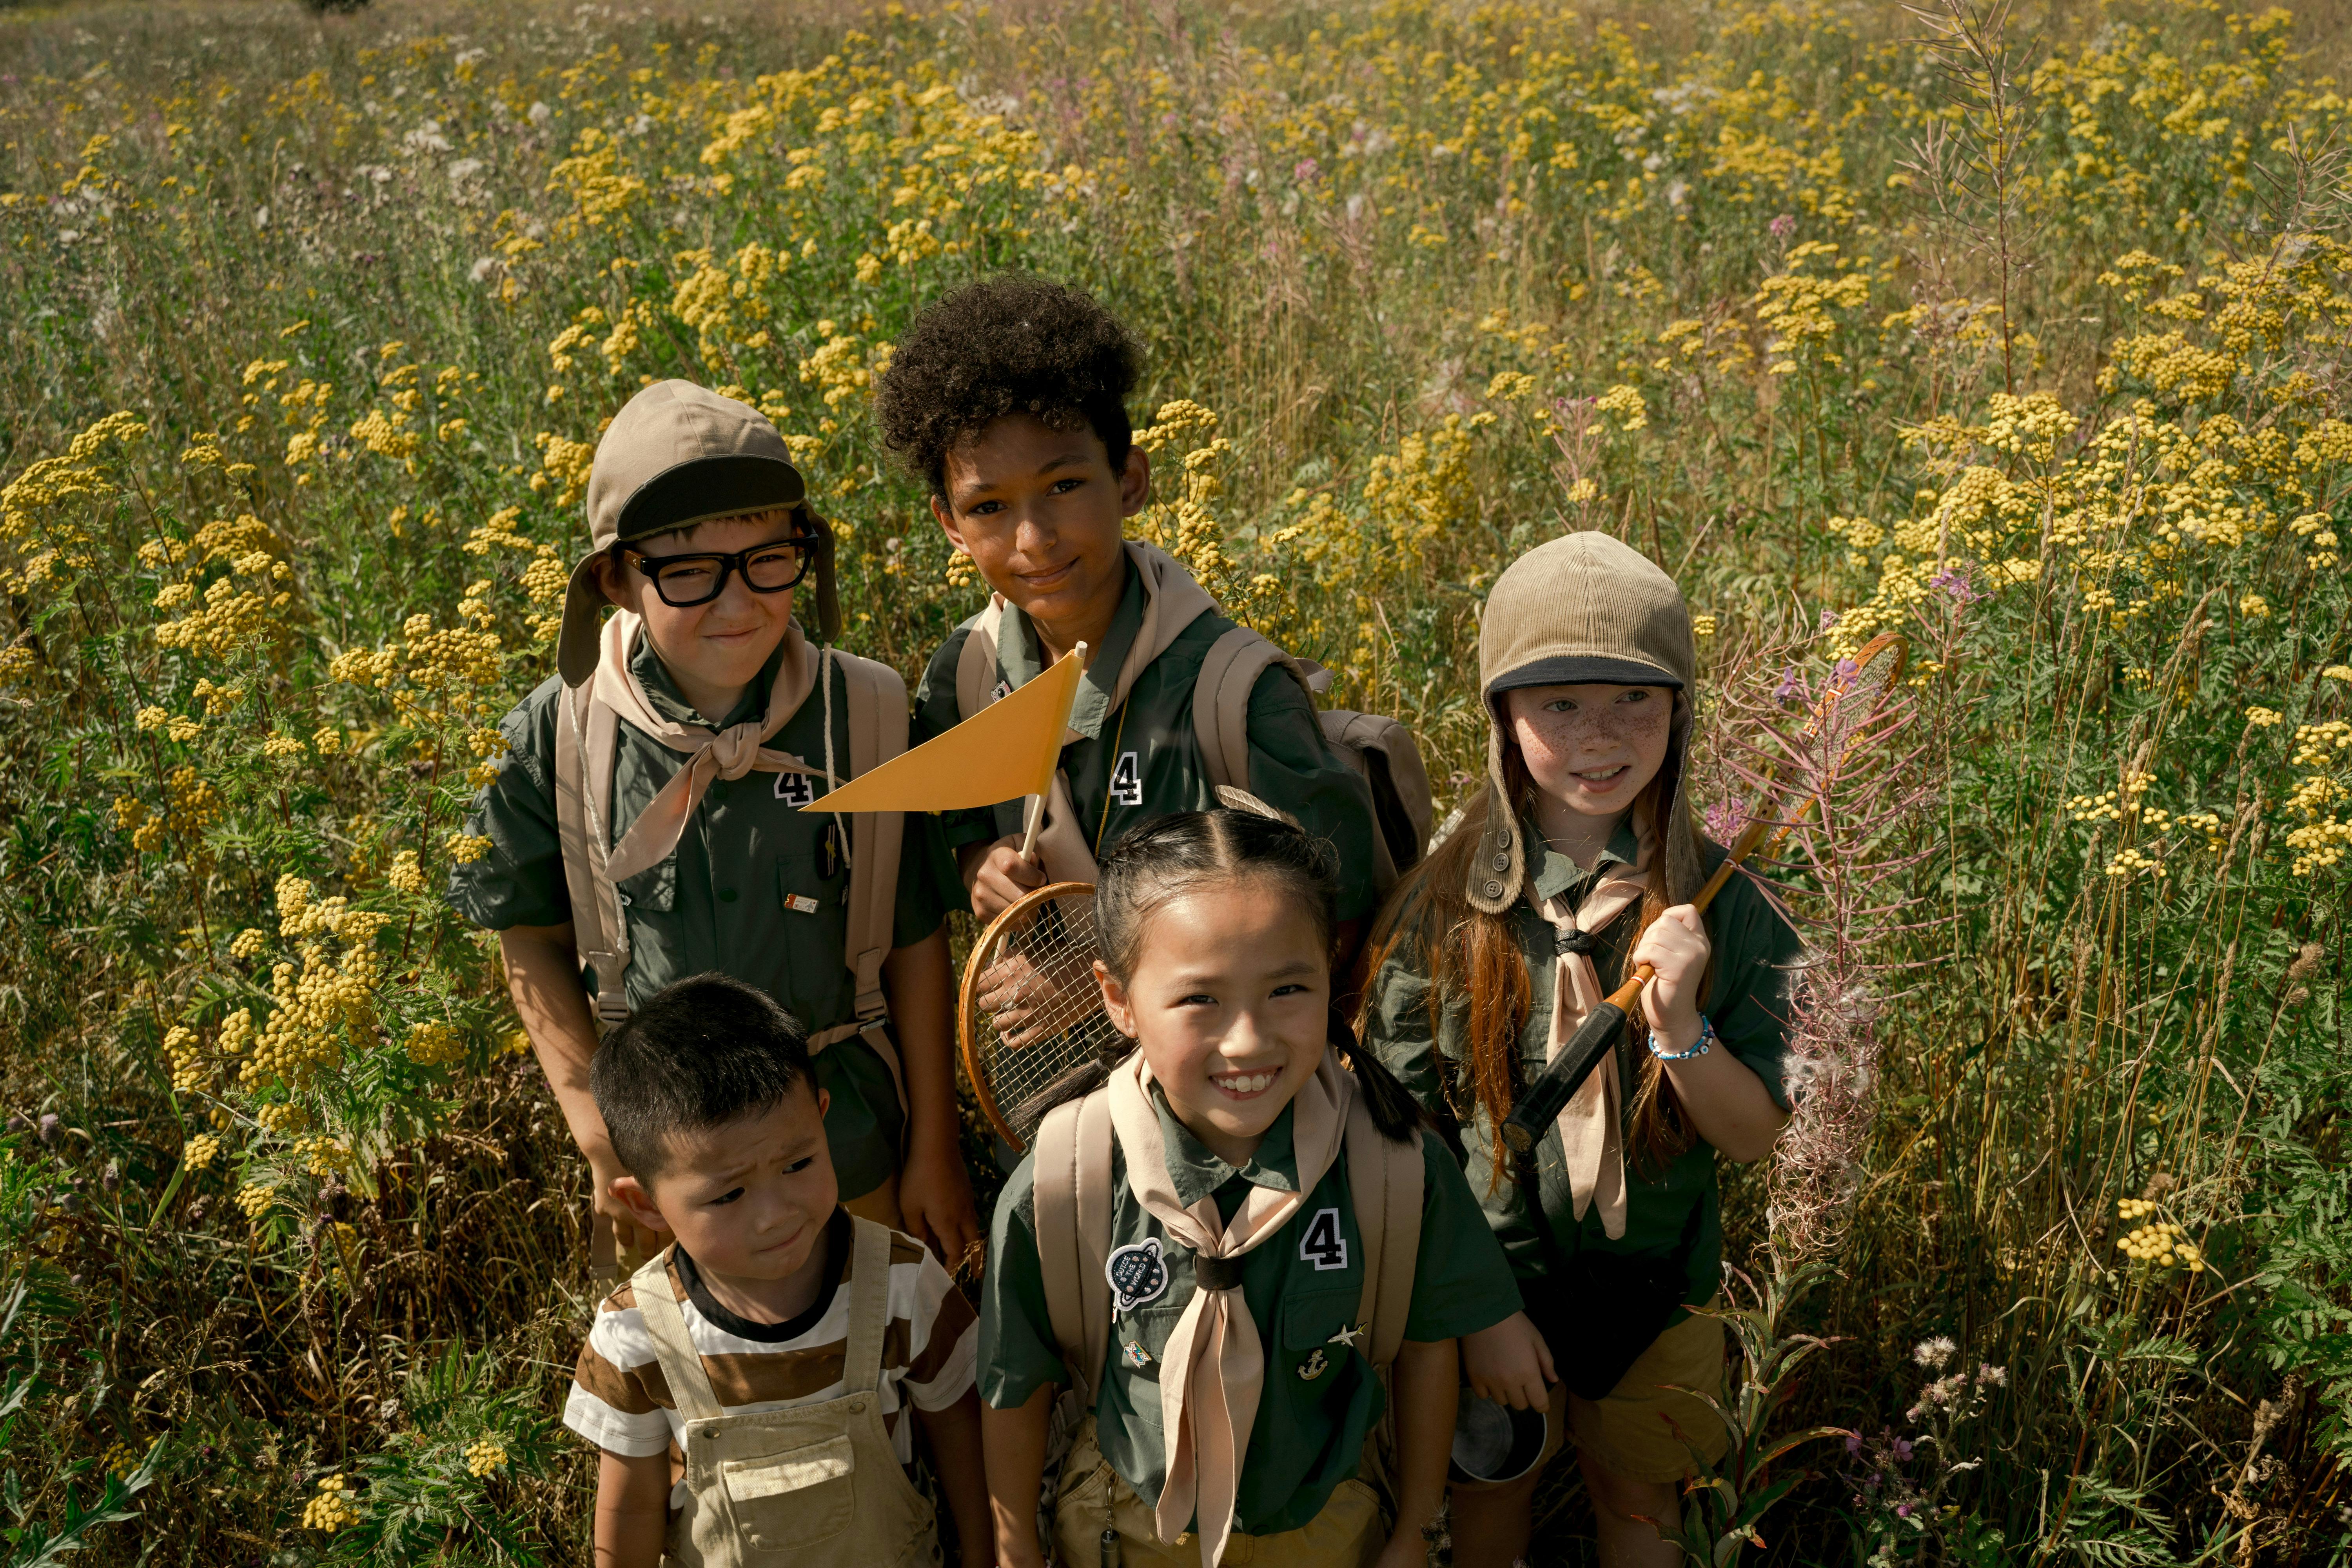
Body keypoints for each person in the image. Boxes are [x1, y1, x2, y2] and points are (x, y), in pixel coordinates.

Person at [449, 379, 979, 1267]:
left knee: (894, 1369)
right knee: (706, 1395)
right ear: (617, 577)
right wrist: (598, 1136)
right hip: (666, 1172)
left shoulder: (871, 714)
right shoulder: (561, 731)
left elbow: (915, 942)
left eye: (769, 559)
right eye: (690, 570)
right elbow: (531, 942)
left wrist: (935, 1145)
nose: (738, 604)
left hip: (853, 1144)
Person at [1358, 532, 1802, 1568]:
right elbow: (1401, 1132)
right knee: (1487, 1505)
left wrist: (1681, 1025)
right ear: (1503, 719)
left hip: (1661, 1294)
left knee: (1642, 1509)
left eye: (1634, 700)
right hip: (1484, 1286)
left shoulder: (1732, 906)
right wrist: (1479, 1309)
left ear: (1680, 711)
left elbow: (1751, 1139)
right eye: (1559, 704)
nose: (1600, 736)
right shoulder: (1440, 906)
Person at [977, 808, 1521, 1568]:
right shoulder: (1068, 1178)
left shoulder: (1393, 1166)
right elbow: (1015, 1382)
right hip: (1129, 1528)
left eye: (1287, 988)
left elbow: (1428, 1352)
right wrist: (1014, 1551)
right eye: (1201, 998)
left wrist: (1413, 1529)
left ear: (1333, 970)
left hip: (1328, 1525)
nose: (1248, 1039)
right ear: (1116, 996)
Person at [877, 277, 1381, 958]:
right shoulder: (964, 679)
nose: (1034, 541)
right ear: (951, 526)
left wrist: (1098, 997)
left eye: (1065, 487)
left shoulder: (1235, 695)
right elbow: (958, 840)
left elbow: (1338, 935)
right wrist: (983, 870)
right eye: (989, 507)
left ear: (1131, 481)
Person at [562, 974, 992, 1568]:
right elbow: (632, 1508)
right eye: (729, 1196)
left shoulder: (897, 1279)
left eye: (799, 1164)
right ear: (645, 1204)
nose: (775, 1214)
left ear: (822, 1118)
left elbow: (958, 1430)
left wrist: (983, 1550)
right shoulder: (635, 1337)